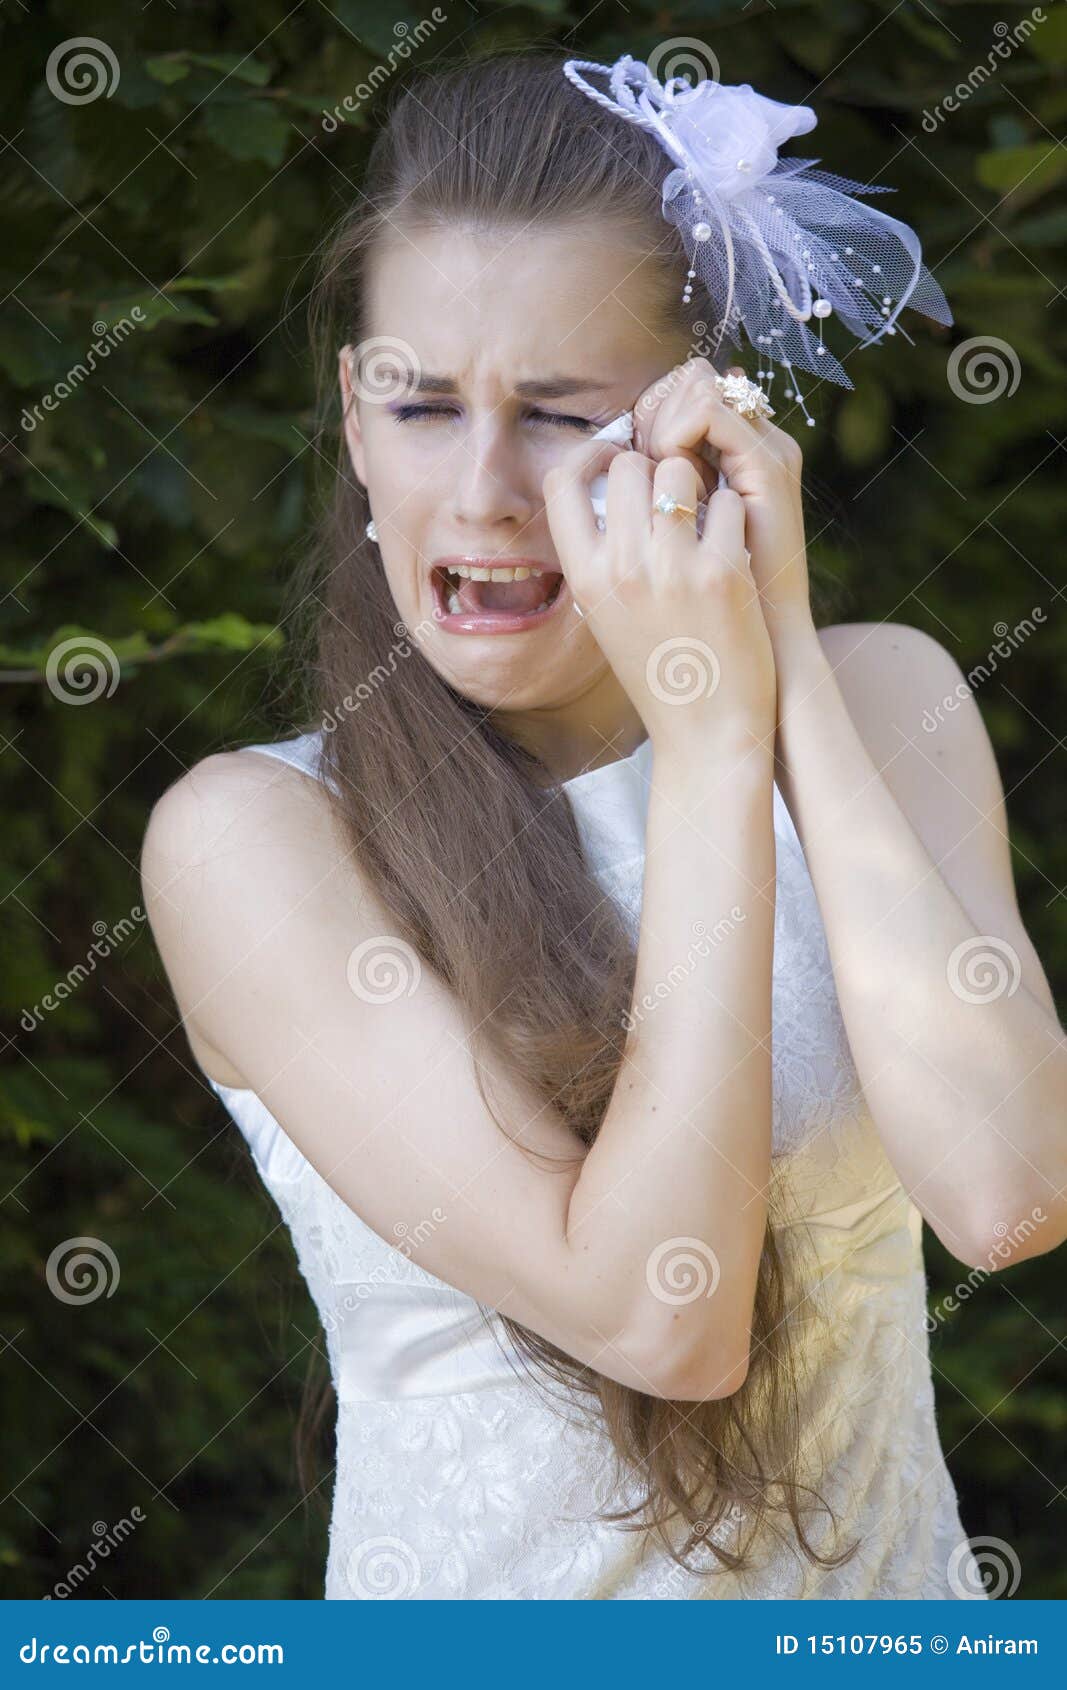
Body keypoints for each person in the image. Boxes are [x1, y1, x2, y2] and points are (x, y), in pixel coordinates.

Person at [140, 50, 1066, 1600]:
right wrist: (711, 743)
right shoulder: (255, 838)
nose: (487, 489)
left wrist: (773, 672)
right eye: (422, 403)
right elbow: (658, 1315)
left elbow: (1010, 1191)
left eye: (563, 414)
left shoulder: (887, 701)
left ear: (703, 434)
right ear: (357, 426)